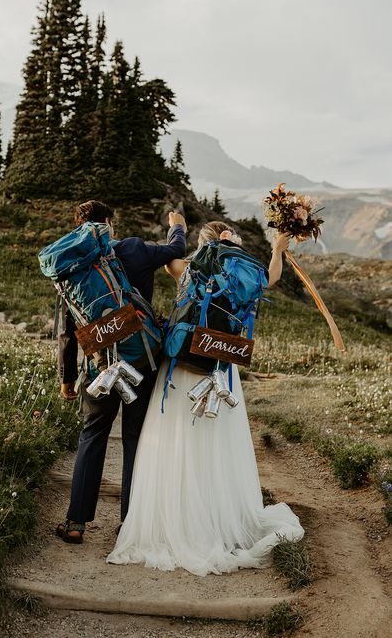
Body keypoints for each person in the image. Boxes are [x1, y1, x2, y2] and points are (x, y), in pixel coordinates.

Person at [107, 221, 304, 576]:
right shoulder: (239, 272)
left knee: (175, 438)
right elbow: (269, 280)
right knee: (214, 443)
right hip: (216, 369)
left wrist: (178, 235)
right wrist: (278, 250)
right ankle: (214, 521)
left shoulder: (186, 268)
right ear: (228, 242)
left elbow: (170, 261)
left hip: (179, 364)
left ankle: (171, 520)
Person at [56, 200, 187, 544]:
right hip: (141, 359)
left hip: (99, 364)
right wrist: (177, 224)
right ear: (109, 224)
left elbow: (68, 330)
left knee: (92, 435)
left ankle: (75, 522)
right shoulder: (134, 249)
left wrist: (67, 377)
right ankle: (129, 524)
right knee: (134, 439)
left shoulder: (75, 266)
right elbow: (177, 248)